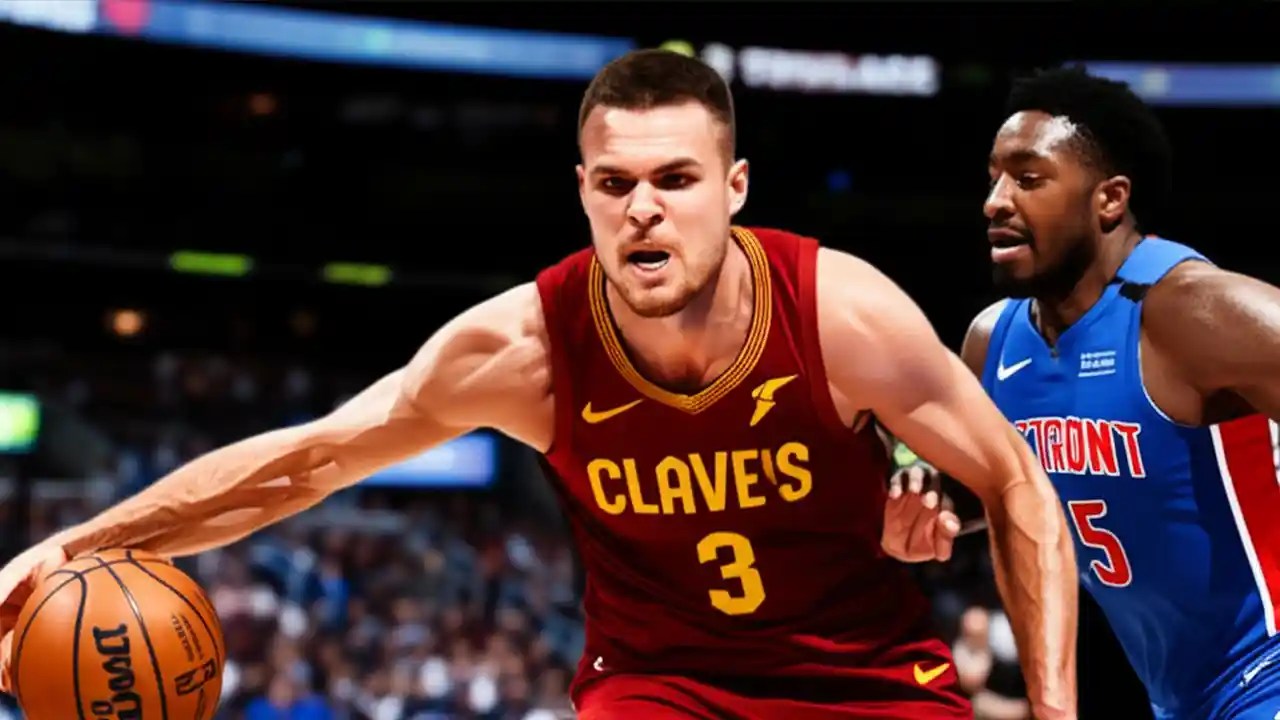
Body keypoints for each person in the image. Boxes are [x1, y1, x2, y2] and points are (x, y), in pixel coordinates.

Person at [0, 50, 1078, 719]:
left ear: (734, 188)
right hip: (655, 690)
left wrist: (1049, 706)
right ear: (582, 193)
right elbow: (309, 459)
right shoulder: (521, 351)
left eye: (674, 179)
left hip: (859, 680)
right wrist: (80, 545)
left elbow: (1016, 486)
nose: (642, 208)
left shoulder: (841, 314)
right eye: (614, 184)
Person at [889, 66, 1280, 719]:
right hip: (1180, 695)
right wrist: (930, 504)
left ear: (1110, 199)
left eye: (1028, 179)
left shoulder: (1188, 309)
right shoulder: (994, 340)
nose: (995, 200)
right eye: (994, 178)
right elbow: (996, 488)